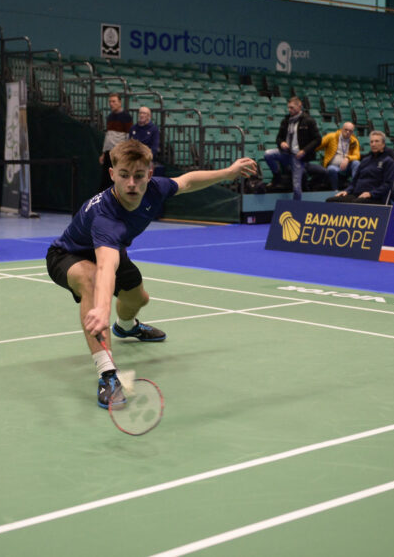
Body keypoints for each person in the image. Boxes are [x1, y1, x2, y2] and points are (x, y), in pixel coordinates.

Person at [46, 139, 257, 408]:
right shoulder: (105, 217)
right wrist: (100, 308)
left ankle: (125, 328)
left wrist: (228, 173)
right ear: (112, 175)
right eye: (124, 176)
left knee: (138, 299)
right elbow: (106, 266)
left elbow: (188, 181)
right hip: (68, 255)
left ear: (150, 173)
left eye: (138, 176)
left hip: (110, 250)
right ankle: (107, 374)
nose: (131, 183)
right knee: (93, 280)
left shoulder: (156, 189)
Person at [263, 96, 321, 200]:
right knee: (268, 154)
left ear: (299, 106)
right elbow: (279, 138)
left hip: (298, 157)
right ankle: (277, 175)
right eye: (288, 108)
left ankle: (296, 209)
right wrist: (281, 143)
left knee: (297, 188)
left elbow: (317, 139)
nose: (290, 110)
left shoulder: (308, 121)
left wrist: (304, 150)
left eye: (292, 108)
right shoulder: (286, 120)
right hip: (285, 153)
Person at [326, 130, 394, 204]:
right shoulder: (365, 160)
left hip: (375, 197)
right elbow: (354, 182)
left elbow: (387, 185)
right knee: (331, 201)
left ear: (383, 144)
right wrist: (346, 191)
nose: (373, 144)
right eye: (371, 142)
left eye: (376, 141)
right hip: (357, 195)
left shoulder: (388, 161)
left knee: (356, 204)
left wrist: (371, 194)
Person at [307, 121, 360, 191]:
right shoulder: (332, 136)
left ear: (352, 132)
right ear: (341, 129)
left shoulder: (354, 141)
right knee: (331, 169)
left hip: (346, 168)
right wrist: (306, 149)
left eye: (350, 131)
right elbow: (318, 145)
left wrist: (347, 158)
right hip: (334, 167)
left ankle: (354, 187)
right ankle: (335, 190)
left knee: (356, 163)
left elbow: (357, 155)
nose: (348, 132)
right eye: (346, 130)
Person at [98, 93, 132, 189]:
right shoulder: (109, 117)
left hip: (119, 153)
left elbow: (128, 136)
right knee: (106, 179)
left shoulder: (126, 117)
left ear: (120, 102)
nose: (111, 104)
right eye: (110, 102)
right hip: (109, 153)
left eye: (114, 101)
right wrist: (104, 153)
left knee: (117, 178)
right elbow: (108, 135)